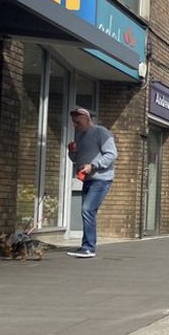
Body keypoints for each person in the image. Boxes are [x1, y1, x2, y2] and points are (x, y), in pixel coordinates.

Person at [66, 108, 117, 258]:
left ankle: (89, 248)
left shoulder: (101, 132)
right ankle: (86, 246)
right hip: (88, 179)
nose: (75, 125)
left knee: (87, 209)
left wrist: (93, 166)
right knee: (88, 212)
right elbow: (76, 160)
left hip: (101, 179)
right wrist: (72, 152)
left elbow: (112, 154)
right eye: (74, 123)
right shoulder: (79, 136)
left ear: (88, 120)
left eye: (78, 122)